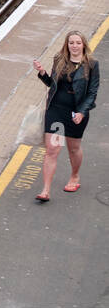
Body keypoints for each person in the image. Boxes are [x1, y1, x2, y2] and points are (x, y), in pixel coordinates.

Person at [33, 31, 99, 203]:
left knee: (73, 148)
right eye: (71, 43)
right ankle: (45, 190)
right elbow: (52, 84)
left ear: (83, 44)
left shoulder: (91, 64)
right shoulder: (59, 59)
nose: (74, 46)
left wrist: (82, 112)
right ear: (67, 44)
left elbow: (92, 93)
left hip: (76, 112)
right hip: (56, 110)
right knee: (52, 150)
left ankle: (75, 176)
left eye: (78, 43)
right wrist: (42, 73)